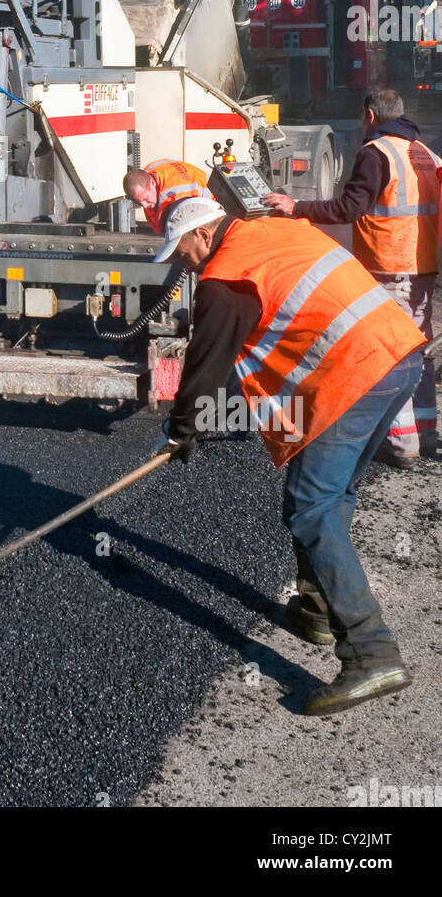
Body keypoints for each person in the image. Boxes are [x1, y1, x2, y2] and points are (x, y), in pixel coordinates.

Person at [155, 196, 424, 716]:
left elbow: (205, 363)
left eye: (182, 251)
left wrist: (182, 427)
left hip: (355, 375)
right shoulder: (274, 233)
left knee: (312, 506)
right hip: (396, 355)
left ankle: (372, 651)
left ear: (205, 236)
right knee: (330, 494)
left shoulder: (226, 274)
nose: (181, 263)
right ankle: (319, 609)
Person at [264, 88, 440, 469]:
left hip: (390, 264)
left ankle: (401, 443)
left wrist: (297, 207)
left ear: (370, 115)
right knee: (417, 350)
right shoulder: (423, 153)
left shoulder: (376, 153)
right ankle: (426, 432)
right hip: (422, 265)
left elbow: (349, 207)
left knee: (390, 355)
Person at [123, 159, 212, 236]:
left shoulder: (173, 202)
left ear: (152, 183)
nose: (145, 205)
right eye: (139, 203)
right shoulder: (150, 171)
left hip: (214, 206)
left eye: (146, 198)